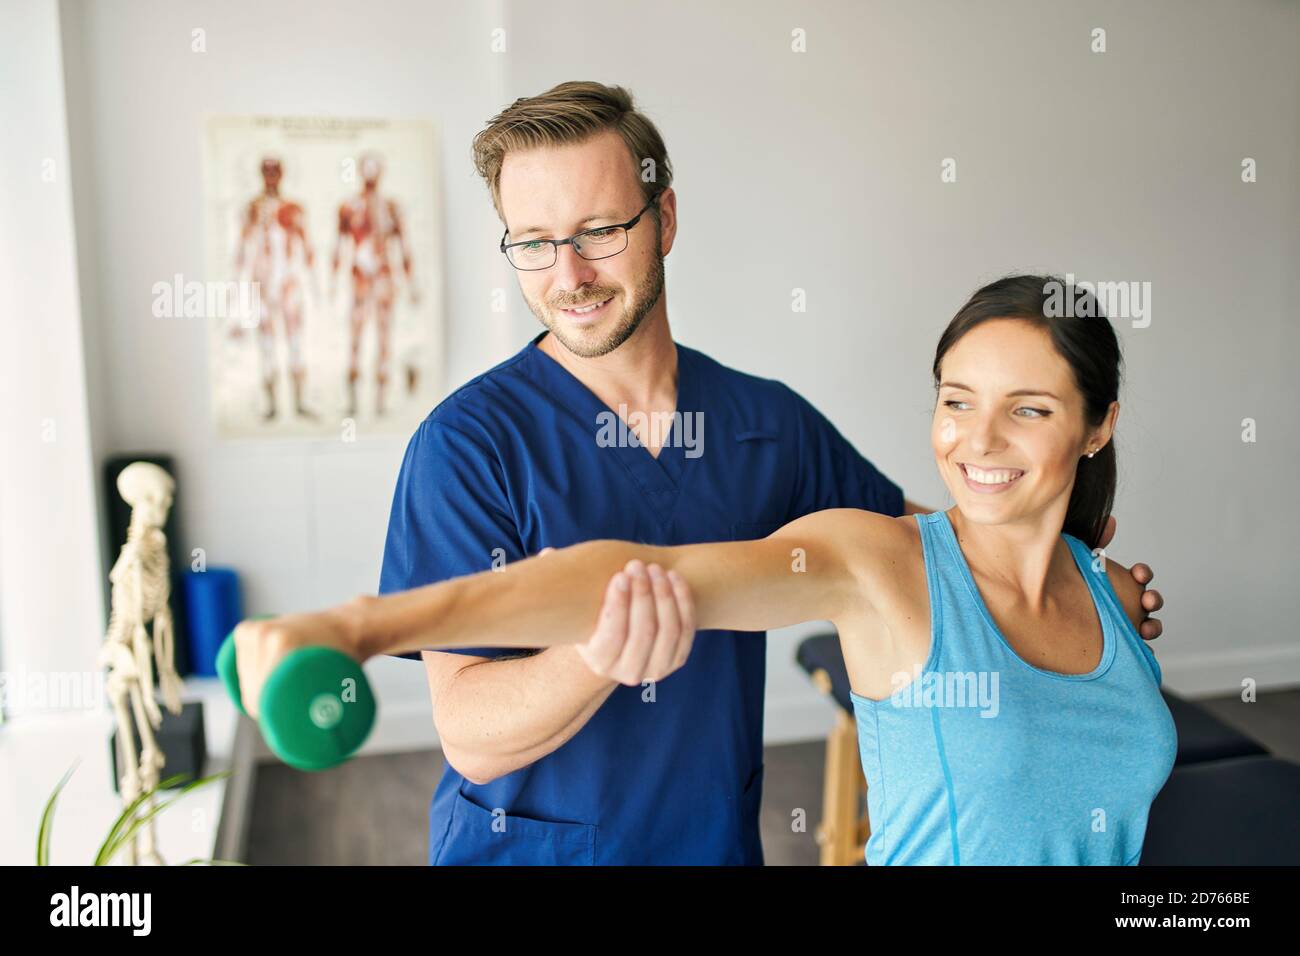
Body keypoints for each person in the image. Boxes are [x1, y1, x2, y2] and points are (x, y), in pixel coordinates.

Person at [373, 81, 1164, 865]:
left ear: (665, 218)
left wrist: (1067, 579)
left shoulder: (764, 424)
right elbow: (471, 737)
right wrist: (608, 647)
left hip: (711, 845)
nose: (569, 273)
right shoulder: (467, 446)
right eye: (534, 242)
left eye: (600, 230)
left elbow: (940, 543)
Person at [238, 272, 1173, 865]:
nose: (978, 439)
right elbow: (640, 569)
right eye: (957, 402)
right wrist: (360, 627)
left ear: (1099, 425)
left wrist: (1092, 577)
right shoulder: (875, 564)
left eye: (1030, 410)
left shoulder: (1108, 596)